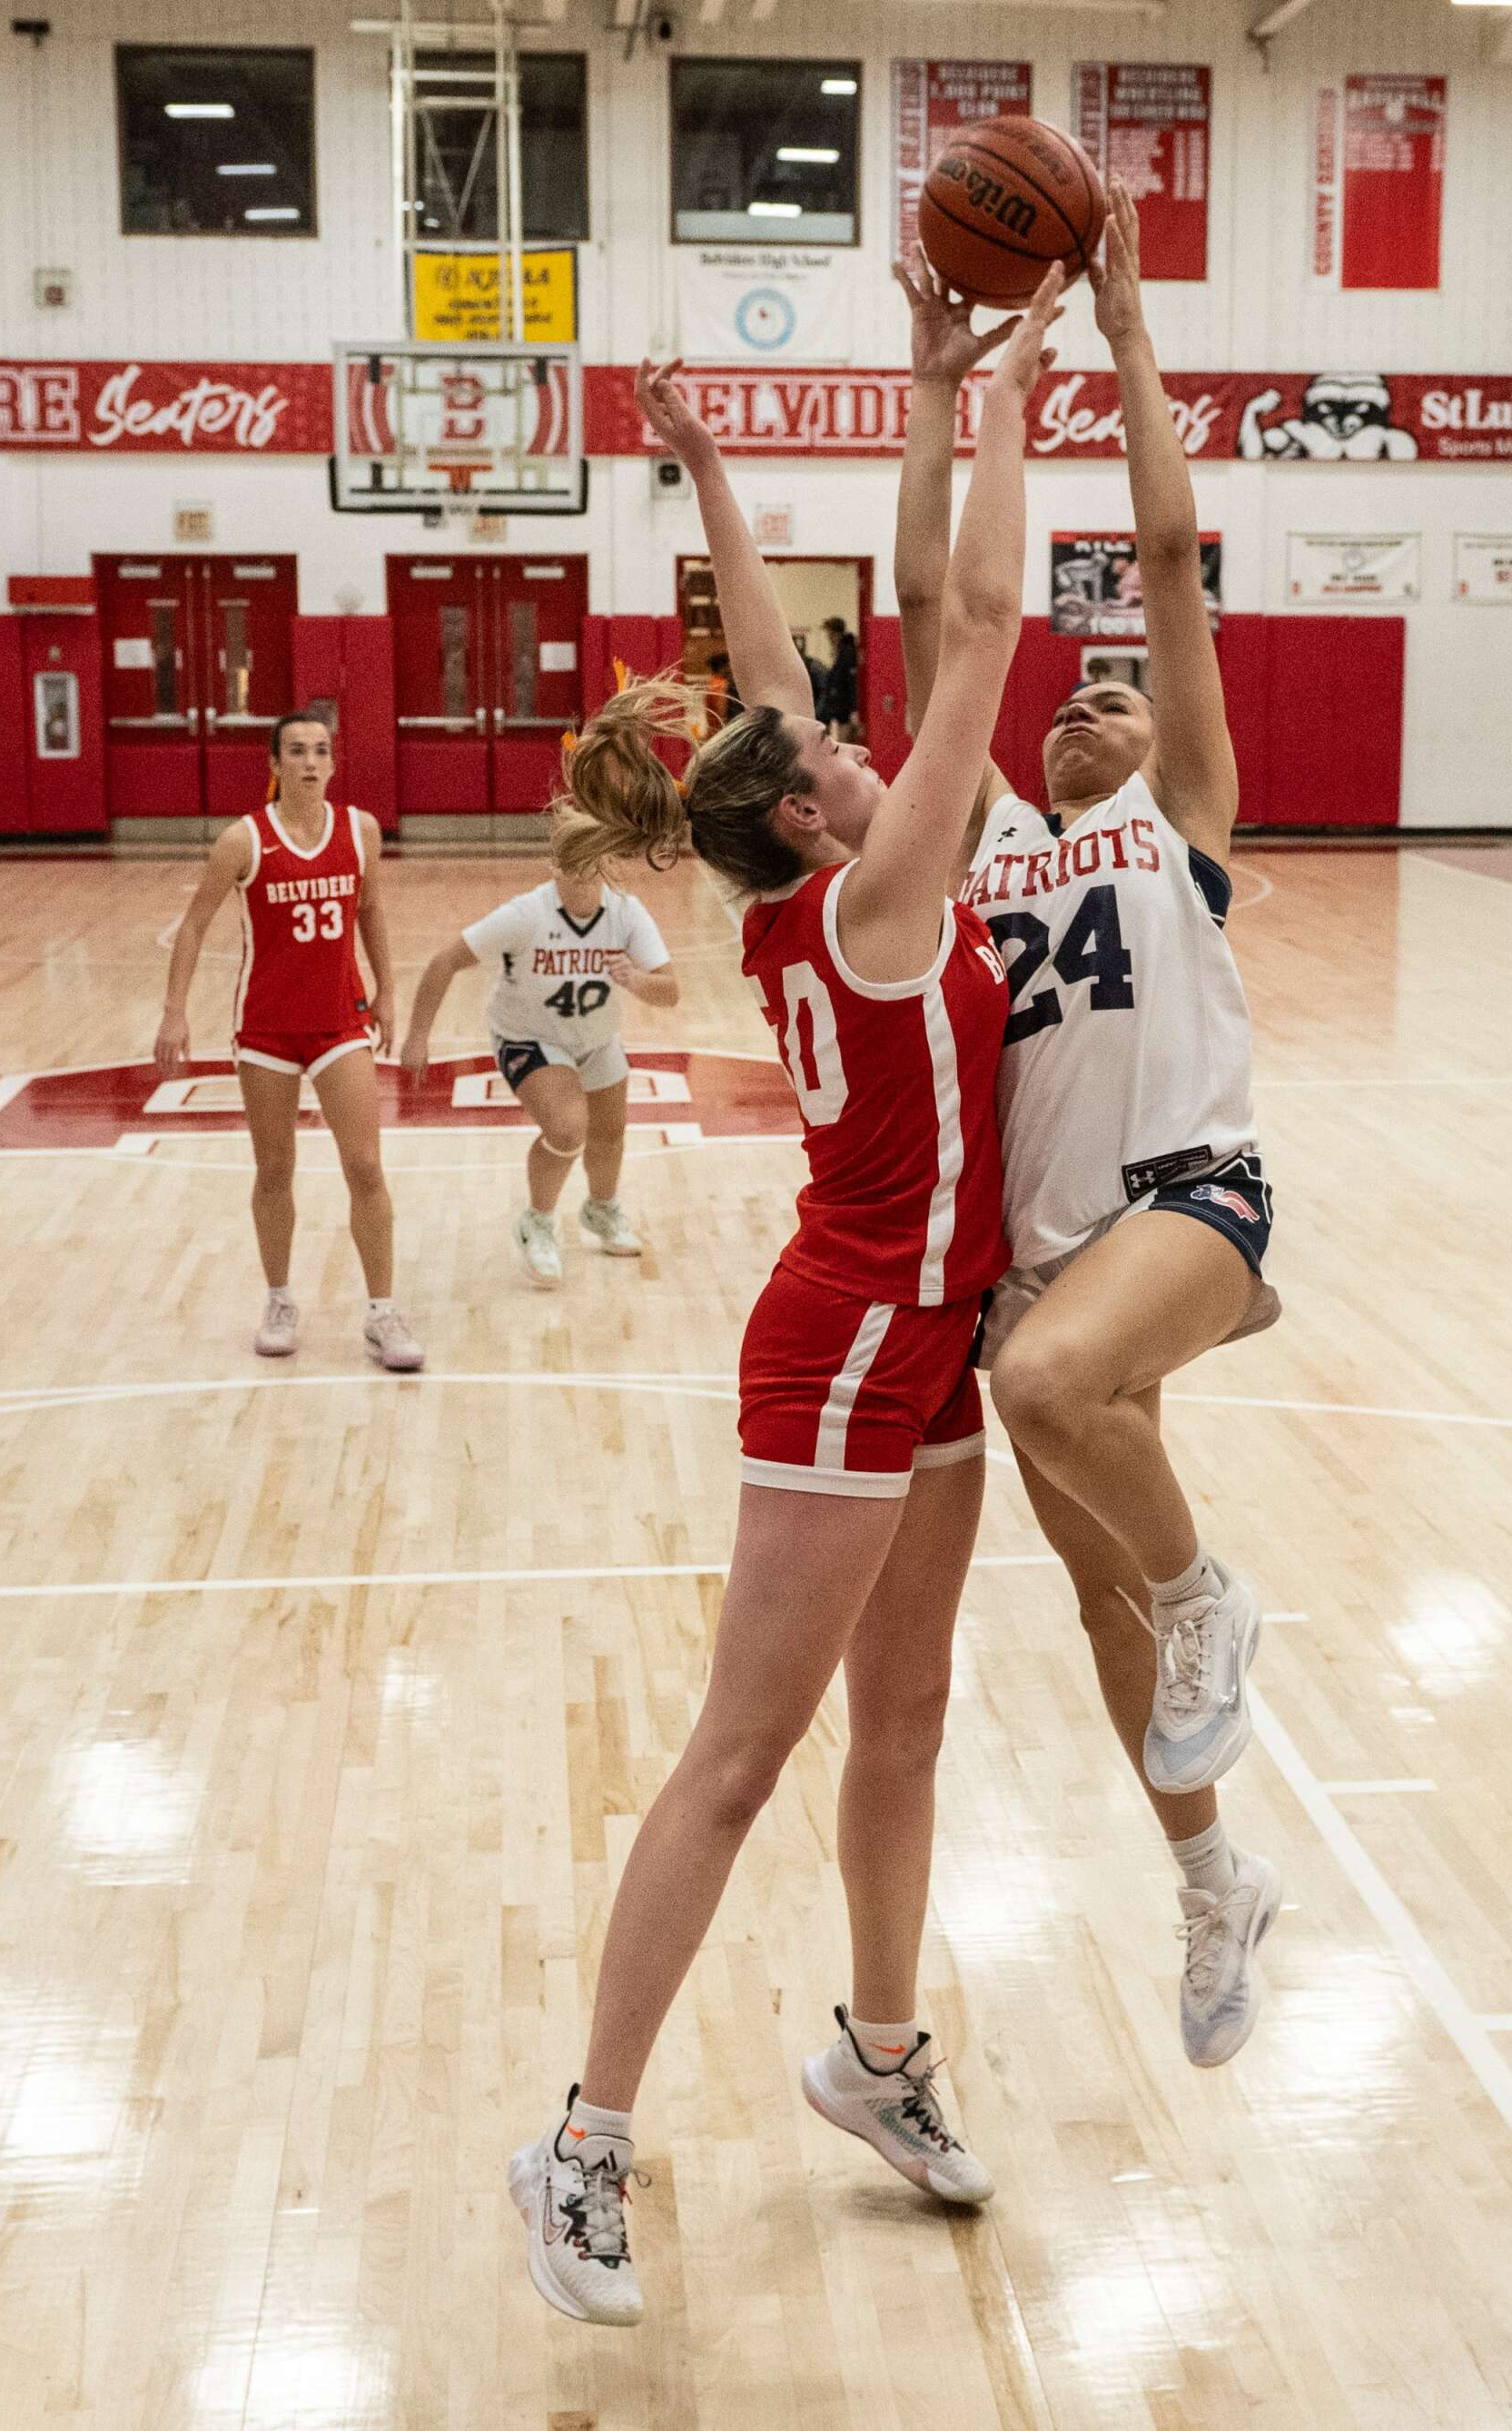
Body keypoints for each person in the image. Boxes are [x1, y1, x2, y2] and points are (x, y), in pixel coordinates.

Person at [508, 289, 1063, 2332]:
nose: (854, 735)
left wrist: (720, 463)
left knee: (903, 1722)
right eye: (837, 747)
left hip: (922, 1342)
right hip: (842, 1340)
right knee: (740, 1756)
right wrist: (1009, 411)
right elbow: (984, 630)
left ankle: (879, 2060)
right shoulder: (879, 894)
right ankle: (577, 2136)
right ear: (821, 816)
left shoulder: (796, 872)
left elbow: (758, 685)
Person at [901, 215, 1290, 2067]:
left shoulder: (1179, 820)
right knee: (1088, 1600)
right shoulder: (984, 842)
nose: (1086, 700)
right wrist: (940, 395)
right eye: (1072, 694)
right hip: (1053, 1252)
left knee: (1050, 1386)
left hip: (1190, 1202)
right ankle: (1213, 1883)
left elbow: (1160, 559)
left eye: (1114, 692)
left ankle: (1217, 1594)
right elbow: (928, 613)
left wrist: (1126, 336)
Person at [154, 716, 417, 1371]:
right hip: (267, 1027)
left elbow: (372, 911)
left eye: (321, 751)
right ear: (275, 761)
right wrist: (173, 1013)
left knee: (365, 1167)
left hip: (338, 1022)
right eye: (296, 750)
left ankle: (382, 1313)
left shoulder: (360, 831)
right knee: (275, 1169)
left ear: (334, 763)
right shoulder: (242, 841)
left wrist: (386, 989)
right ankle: (278, 1299)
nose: (309, 761)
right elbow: (191, 928)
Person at [400, 839, 681, 1286]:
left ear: (607, 862)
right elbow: (445, 961)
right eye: (574, 860)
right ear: (554, 866)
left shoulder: (626, 912)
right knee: (569, 1128)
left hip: (595, 1036)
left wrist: (636, 980)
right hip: (527, 1036)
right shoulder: (527, 914)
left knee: (609, 1133)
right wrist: (417, 1036)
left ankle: (601, 1209)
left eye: (593, 859)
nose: (585, 871)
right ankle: (538, 1220)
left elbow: (670, 991)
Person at [816, 614, 863, 737]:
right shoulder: (840, 653)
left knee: (846, 744)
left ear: (836, 634)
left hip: (846, 713)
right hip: (840, 712)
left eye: (830, 634)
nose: (828, 637)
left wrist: (854, 709)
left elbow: (852, 682)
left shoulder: (848, 653)